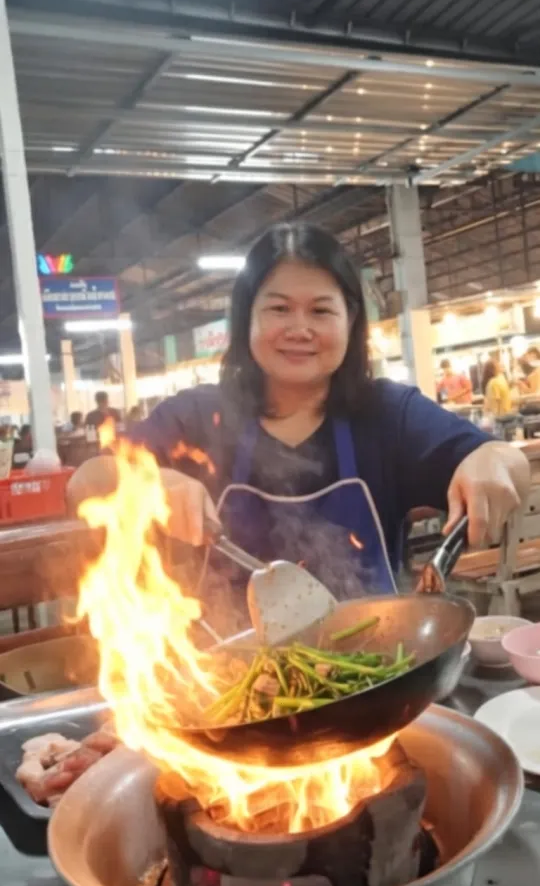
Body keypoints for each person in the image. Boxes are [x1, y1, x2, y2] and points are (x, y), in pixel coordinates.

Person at [69, 224, 529, 631]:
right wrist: (148, 483)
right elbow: (83, 483)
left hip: (372, 675)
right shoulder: (198, 416)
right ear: (247, 319)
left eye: (321, 311)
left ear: (351, 322)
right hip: (228, 684)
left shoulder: (388, 414)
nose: (299, 328)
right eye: (279, 309)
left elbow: (506, 463)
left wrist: (494, 461)